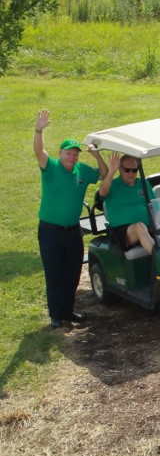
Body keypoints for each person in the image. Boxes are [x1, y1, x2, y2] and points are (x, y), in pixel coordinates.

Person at [34, 110, 103, 328]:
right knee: (54, 272)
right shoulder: (51, 167)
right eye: (68, 153)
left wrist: (98, 156)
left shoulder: (81, 170)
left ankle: (68, 310)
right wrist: (39, 130)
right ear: (60, 153)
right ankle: (56, 315)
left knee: (73, 271)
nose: (72, 157)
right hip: (50, 231)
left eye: (75, 154)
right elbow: (38, 151)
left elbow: (103, 173)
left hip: (73, 230)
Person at [98, 152, 155, 255]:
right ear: (119, 169)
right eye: (127, 170)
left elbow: (155, 205)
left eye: (134, 170)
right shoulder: (113, 184)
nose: (131, 173)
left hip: (148, 227)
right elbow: (102, 192)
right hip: (122, 232)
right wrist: (111, 172)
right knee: (140, 227)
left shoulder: (143, 183)